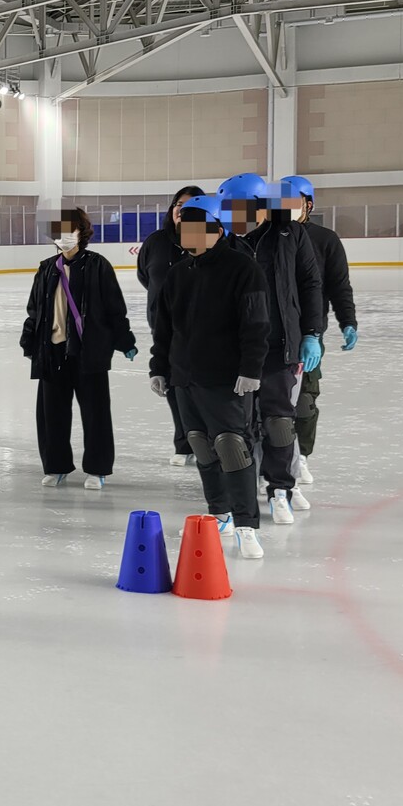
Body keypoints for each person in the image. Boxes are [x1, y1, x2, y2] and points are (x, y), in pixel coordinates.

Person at [150, 195, 270, 558]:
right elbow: (164, 329)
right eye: (183, 227)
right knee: (201, 445)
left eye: (196, 227)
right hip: (185, 377)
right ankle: (219, 513)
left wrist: (251, 369)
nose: (188, 234)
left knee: (232, 447)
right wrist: (159, 367)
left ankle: (246, 524)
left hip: (226, 379)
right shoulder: (177, 274)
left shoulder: (243, 268)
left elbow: (257, 324)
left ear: (217, 230)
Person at [218, 173, 324, 523]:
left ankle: (280, 489)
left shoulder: (289, 234)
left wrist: (312, 333)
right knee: (238, 426)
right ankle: (241, 495)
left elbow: (310, 283)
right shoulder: (225, 243)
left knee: (279, 421)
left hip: (280, 346)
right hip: (237, 352)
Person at [20, 207, 137, 490]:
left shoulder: (98, 265)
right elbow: (35, 310)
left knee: (95, 413)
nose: (64, 237)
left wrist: (125, 341)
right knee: (51, 415)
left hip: (88, 353)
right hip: (52, 351)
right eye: (59, 232)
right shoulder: (47, 268)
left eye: (69, 231)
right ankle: (56, 466)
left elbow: (114, 309)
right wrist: (29, 341)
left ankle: (97, 469)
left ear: (81, 233)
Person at [285, 176, 358, 484]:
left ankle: (300, 455)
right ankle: (267, 459)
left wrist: (348, 321)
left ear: (308, 204)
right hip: (270, 334)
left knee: (304, 400)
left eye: (293, 202)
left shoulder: (325, 240)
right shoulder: (266, 237)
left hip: (308, 335)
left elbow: (339, 286)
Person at [136, 185, 205, 466]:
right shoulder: (155, 241)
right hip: (165, 328)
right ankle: (184, 443)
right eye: (178, 204)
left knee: (201, 387)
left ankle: (207, 439)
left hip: (203, 330)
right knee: (173, 386)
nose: (181, 209)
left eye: (189, 205)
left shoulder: (206, 240)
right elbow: (145, 276)